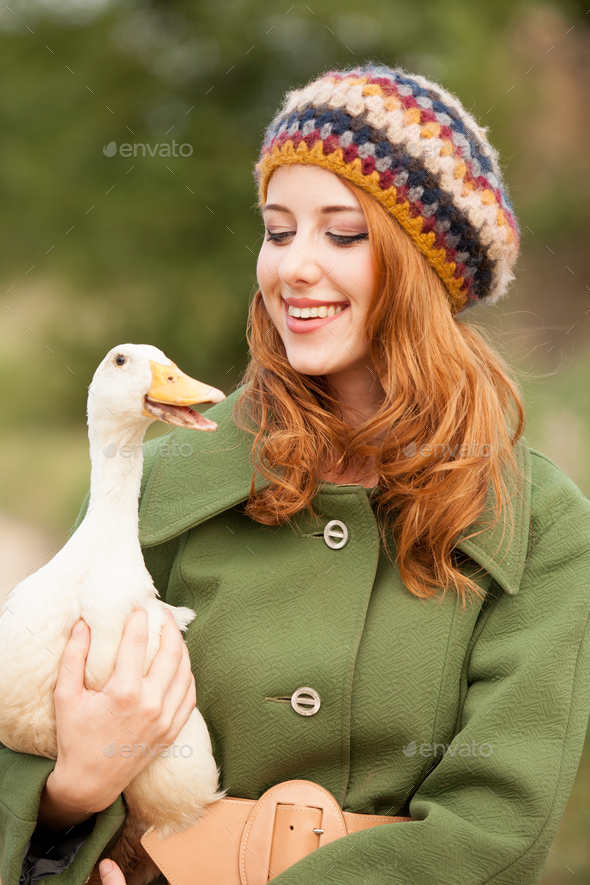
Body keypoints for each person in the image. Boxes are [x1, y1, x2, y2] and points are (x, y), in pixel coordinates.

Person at [2, 63, 590, 885]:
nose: (294, 268)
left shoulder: (538, 521)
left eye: (342, 234)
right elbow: (27, 743)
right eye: (279, 232)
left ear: (428, 271)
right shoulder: (166, 476)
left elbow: (499, 826)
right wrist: (66, 799)